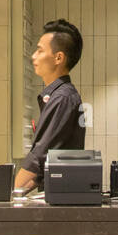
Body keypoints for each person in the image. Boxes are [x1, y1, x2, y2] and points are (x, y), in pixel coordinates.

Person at [13, 19, 86, 193]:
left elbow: (38, 157)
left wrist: (7, 194)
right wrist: (18, 192)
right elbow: (42, 166)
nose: (33, 56)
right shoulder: (59, 96)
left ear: (58, 58)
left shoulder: (63, 98)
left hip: (61, 200)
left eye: (39, 50)